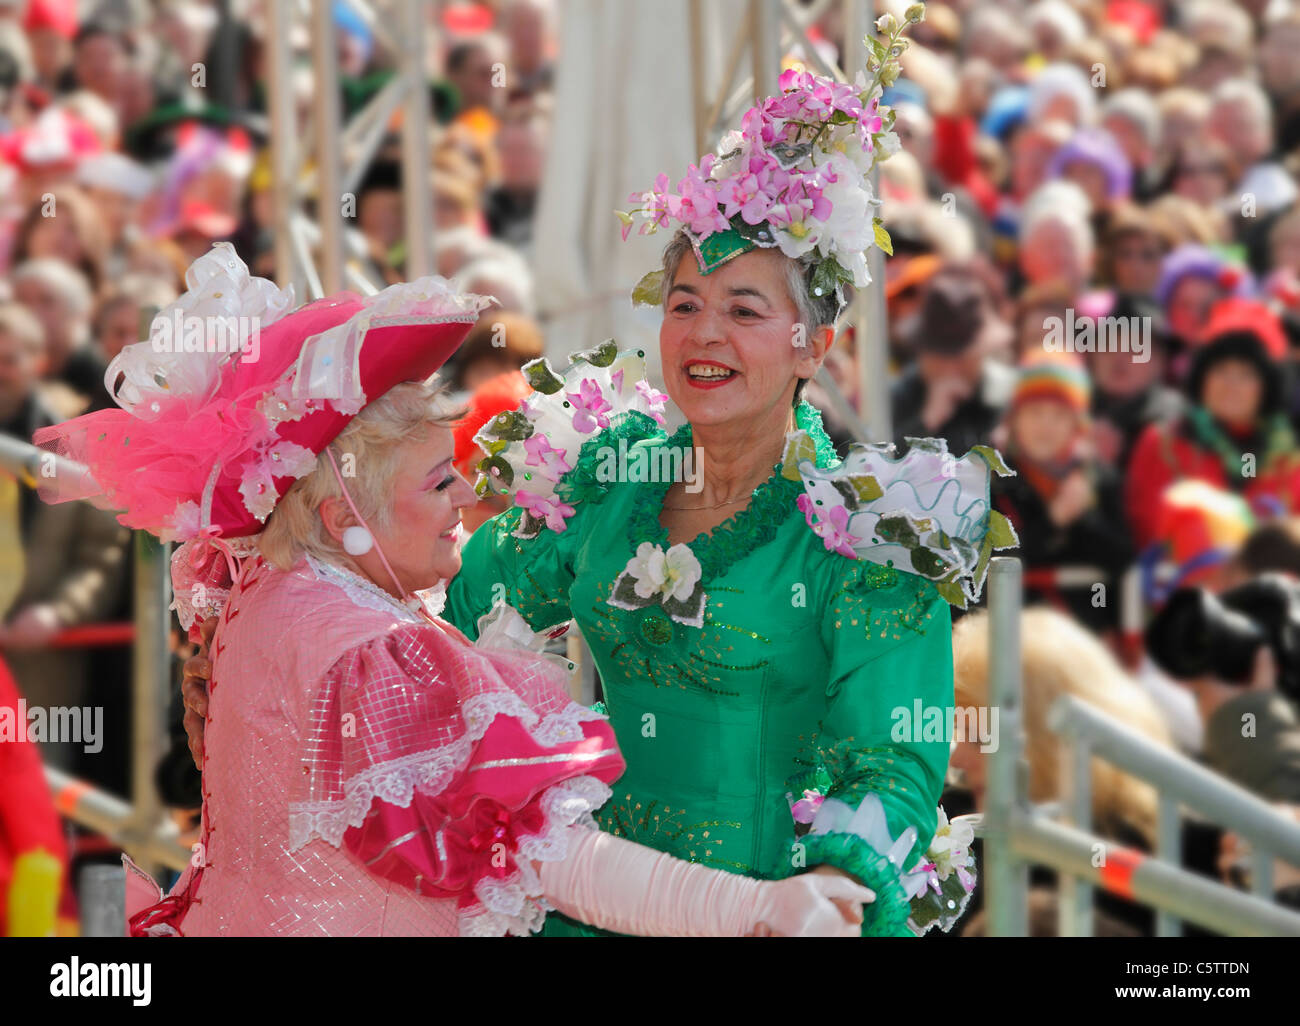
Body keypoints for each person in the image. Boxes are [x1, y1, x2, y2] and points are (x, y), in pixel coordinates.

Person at [187, 55, 1009, 937]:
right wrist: (268, 663)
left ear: (815, 346)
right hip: (585, 899)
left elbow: (893, 765)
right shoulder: (609, 475)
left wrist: (834, 887)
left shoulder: (868, 533)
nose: (705, 335)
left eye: (745, 310)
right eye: (685, 304)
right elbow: (453, 603)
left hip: (770, 910)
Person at [42, 245, 868, 937]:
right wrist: (761, 909)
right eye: (440, 483)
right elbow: (548, 856)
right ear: (343, 514)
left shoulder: (274, 583)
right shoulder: (368, 651)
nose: (467, 501)